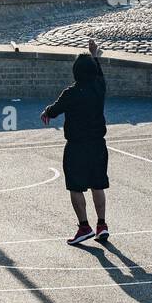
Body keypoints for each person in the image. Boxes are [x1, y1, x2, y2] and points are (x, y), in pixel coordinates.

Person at [42, 40, 110, 245]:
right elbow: (99, 74)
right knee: (98, 185)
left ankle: (84, 226)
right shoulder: (100, 87)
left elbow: (53, 110)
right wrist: (95, 56)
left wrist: (45, 112)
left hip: (77, 146)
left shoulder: (70, 93)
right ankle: (102, 225)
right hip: (99, 144)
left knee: (75, 187)